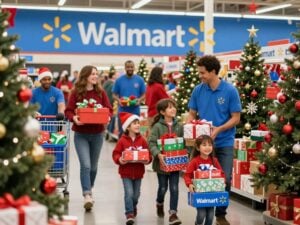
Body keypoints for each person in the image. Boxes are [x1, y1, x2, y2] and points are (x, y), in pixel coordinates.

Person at [187, 55, 241, 225]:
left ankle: (221, 214)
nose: (200, 76)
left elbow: (236, 118)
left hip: (224, 141)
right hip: (202, 144)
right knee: (201, 177)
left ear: (212, 71)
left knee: (224, 179)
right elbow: (192, 113)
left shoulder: (230, 91)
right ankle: (204, 210)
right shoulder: (198, 90)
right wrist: (190, 124)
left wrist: (219, 129)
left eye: (203, 73)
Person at [65, 65, 113, 211]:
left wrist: (108, 117)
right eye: (93, 74)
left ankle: (89, 187)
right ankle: (87, 194)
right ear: (85, 75)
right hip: (81, 134)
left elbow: (109, 109)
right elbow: (68, 111)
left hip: (97, 134)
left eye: (96, 74)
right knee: (85, 165)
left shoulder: (100, 92)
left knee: (93, 167)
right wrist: (75, 118)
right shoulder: (76, 93)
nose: (95, 76)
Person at [112, 111, 152, 225]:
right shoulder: (122, 141)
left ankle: (133, 206)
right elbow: (116, 153)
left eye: (138, 123)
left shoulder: (143, 140)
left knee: (136, 195)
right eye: (134, 123)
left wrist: (147, 160)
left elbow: (148, 155)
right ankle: (129, 213)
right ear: (128, 127)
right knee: (128, 193)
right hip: (126, 172)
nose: (138, 125)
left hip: (139, 172)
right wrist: (120, 159)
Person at [148, 98, 183, 225]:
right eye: (169, 107)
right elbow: (151, 143)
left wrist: (186, 154)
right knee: (163, 188)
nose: (173, 109)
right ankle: (159, 202)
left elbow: (184, 142)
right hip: (161, 164)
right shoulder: (157, 127)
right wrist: (158, 154)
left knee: (174, 188)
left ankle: (173, 213)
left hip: (175, 164)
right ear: (162, 112)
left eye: (174, 106)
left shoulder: (179, 126)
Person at [184, 135, 225, 225]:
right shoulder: (194, 161)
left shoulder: (214, 161)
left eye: (210, 145)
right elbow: (187, 175)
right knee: (201, 214)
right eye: (204, 145)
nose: (207, 147)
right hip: (199, 194)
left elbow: (221, 173)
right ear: (198, 148)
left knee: (210, 215)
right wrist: (189, 184)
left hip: (212, 192)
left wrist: (222, 182)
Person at [112, 60, 146, 136]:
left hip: (135, 111)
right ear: (125, 68)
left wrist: (139, 100)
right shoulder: (119, 80)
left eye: (131, 67)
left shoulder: (139, 80)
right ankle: (123, 147)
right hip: (123, 111)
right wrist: (119, 100)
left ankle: (134, 147)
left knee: (136, 132)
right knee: (122, 132)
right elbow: (114, 94)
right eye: (128, 67)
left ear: (134, 68)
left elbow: (144, 94)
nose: (130, 69)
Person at [103, 69, 117, 139]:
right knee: (110, 118)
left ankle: (106, 131)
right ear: (113, 76)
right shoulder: (113, 84)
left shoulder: (105, 83)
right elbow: (112, 95)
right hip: (110, 103)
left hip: (104, 103)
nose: (116, 76)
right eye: (115, 75)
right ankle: (109, 132)